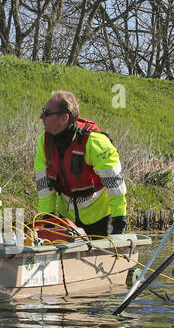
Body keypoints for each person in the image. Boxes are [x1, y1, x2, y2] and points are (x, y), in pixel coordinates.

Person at [33, 90, 127, 236]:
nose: (41, 117)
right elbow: (45, 186)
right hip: (68, 220)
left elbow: (115, 186)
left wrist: (119, 222)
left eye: (47, 113)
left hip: (101, 218)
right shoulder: (44, 142)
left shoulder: (95, 142)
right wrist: (48, 219)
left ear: (64, 118)